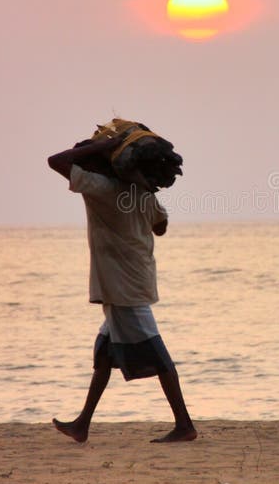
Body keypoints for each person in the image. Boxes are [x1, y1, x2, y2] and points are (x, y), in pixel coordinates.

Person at [47, 132, 197, 444]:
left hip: (123, 289)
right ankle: (82, 423)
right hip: (133, 282)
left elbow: (56, 161)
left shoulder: (102, 189)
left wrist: (104, 145)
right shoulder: (144, 194)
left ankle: (184, 424)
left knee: (158, 355)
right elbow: (161, 226)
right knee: (104, 354)